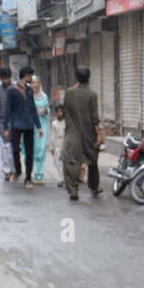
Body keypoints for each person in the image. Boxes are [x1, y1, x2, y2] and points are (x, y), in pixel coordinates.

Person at [61, 66, 102, 200]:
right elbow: (95, 118)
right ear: (88, 78)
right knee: (92, 161)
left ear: (76, 77)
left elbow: (65, 110)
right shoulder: (92, 95)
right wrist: (99, 134)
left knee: (71, 161)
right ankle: (94, 187)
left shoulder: (69, 93)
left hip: (72, 134)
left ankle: (73, 190)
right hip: (89, 134)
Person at [4, 66, 41, 190]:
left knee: (30, 151)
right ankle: (18, 170)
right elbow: (7, 109)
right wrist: (5, 127)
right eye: (30, 75)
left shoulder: (30, 90)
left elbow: (33, 109)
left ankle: (28, 178)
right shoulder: (12, 90)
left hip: (29, 124)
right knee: (15, 149)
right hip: (16, 124)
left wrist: (39, 126)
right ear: (26, 75)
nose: (31, 78)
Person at [30, 75, 51, 183]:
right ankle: (30, 172)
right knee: (32, 149)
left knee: (41, 149)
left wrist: (45, 111)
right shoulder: (29, 96)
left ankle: (39, 174)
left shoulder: (44, 96)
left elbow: (48, 109)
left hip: (42, 126)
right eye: (33, 82)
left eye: (37, 82)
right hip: (31, 126)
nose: (35, 85)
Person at [47, 103, 65, 187]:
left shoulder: (66, 122)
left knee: (65, 162)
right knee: (58, 163)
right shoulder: (54, 123)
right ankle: (61, 179)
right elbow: (52, 135)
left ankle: (66, 178)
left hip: (65, 143)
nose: (60, 113)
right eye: (58, 112)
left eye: (61, 111)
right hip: (57, 144)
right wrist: (51, 147)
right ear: (56, 113)